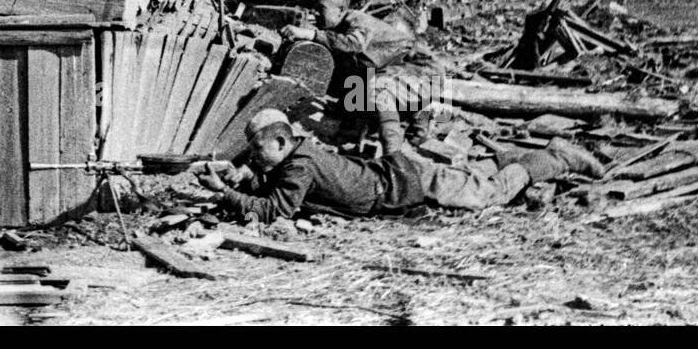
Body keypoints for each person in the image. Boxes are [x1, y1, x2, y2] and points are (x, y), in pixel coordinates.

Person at [197, 108, 605, 223]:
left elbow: (276, 209)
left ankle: (558, 156)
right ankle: (520, 158)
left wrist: (226, 193)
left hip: (404, 184)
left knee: (487, 195)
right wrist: (244, 180)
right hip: (395, 178)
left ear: (282, 141)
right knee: (470, 176)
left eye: (257, 151)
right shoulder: (295, 156)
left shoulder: (298, 164)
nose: (253, 158)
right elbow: (273, 189)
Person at [281, 0, 441, 154]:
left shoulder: (356, 19)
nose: (315, 13)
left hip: (423, 71)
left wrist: (311, 34)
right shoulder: (339, 28)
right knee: (362, 105)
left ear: (341, 10)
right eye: (313, 9)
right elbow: (352, 71)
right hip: (398, 72)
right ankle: (414, 115)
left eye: (321, 8)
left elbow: (353, 45)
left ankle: (393, 156)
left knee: (379, 91)